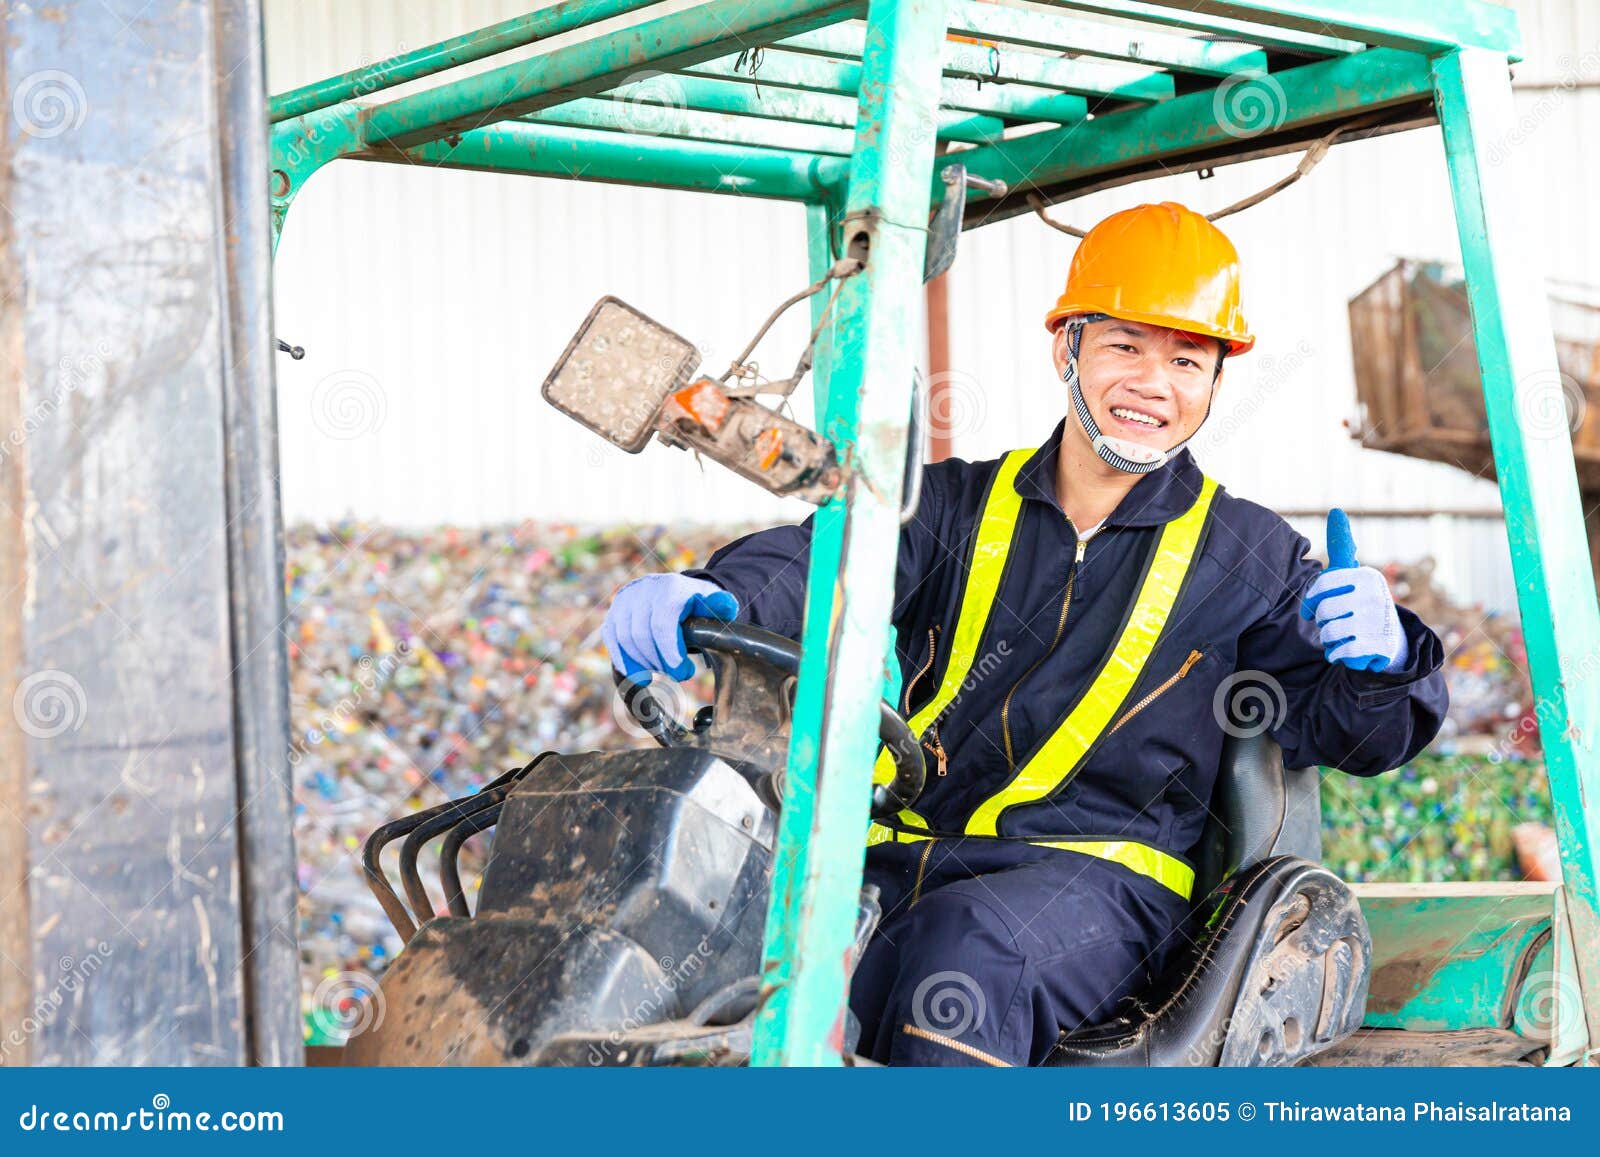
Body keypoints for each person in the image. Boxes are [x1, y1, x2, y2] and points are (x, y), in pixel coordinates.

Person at [601, 202, 1449, 1066]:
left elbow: (1354, 731)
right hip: (905, 857)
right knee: (727, 950)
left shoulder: (1255, 557)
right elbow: (827, 566)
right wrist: (717, 591)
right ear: (1067, 350)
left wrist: (1384, 665)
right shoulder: (952, 505)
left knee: (965, 966)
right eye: (1125, 346)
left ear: (1214, 383)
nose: (1154, 383)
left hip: (1099, 888)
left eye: (1186, 359)